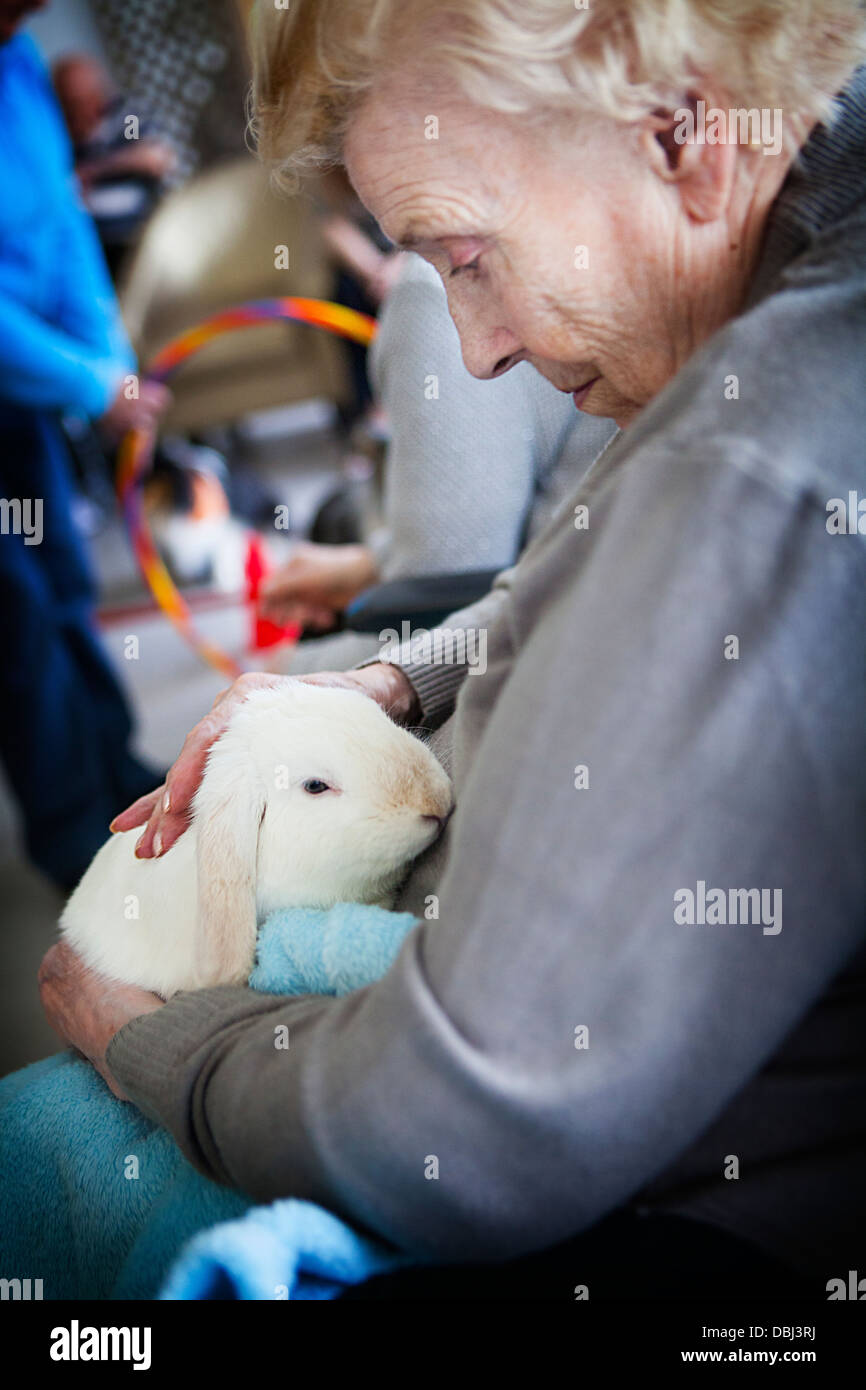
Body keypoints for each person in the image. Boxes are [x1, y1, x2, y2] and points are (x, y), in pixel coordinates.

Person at [38, 0, 866, 1298]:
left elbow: (463, 1130)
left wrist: (153, 1037)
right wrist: (381, 678)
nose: (476, 355)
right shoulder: (769, 303)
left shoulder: (757, 459)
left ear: (682, 133)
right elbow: (562, 572)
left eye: (465, 258)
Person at [260, 252, 618, 670]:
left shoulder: (427, 293)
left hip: (505, 658)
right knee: (338, 514)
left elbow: (443, 595)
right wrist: (373, 565)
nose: (480, 361)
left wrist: (288, 671)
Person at [0, 4, 169, 889]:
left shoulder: (20, 59)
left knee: (64, 585)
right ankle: (73, 839)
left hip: (17, 400)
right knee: (14, 614)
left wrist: (110, 354)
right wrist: (90, 385)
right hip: (17, 367)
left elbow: (64, 230)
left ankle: (115, 779)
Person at [52, 53, 176, 278]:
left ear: (98, 96)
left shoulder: (126, 119)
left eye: (78, 102)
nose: (73, 112)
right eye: (65, 104)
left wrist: (94, 170)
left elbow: (152, 157)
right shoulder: (58, 135)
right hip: (93, 253)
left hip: (137, 240)